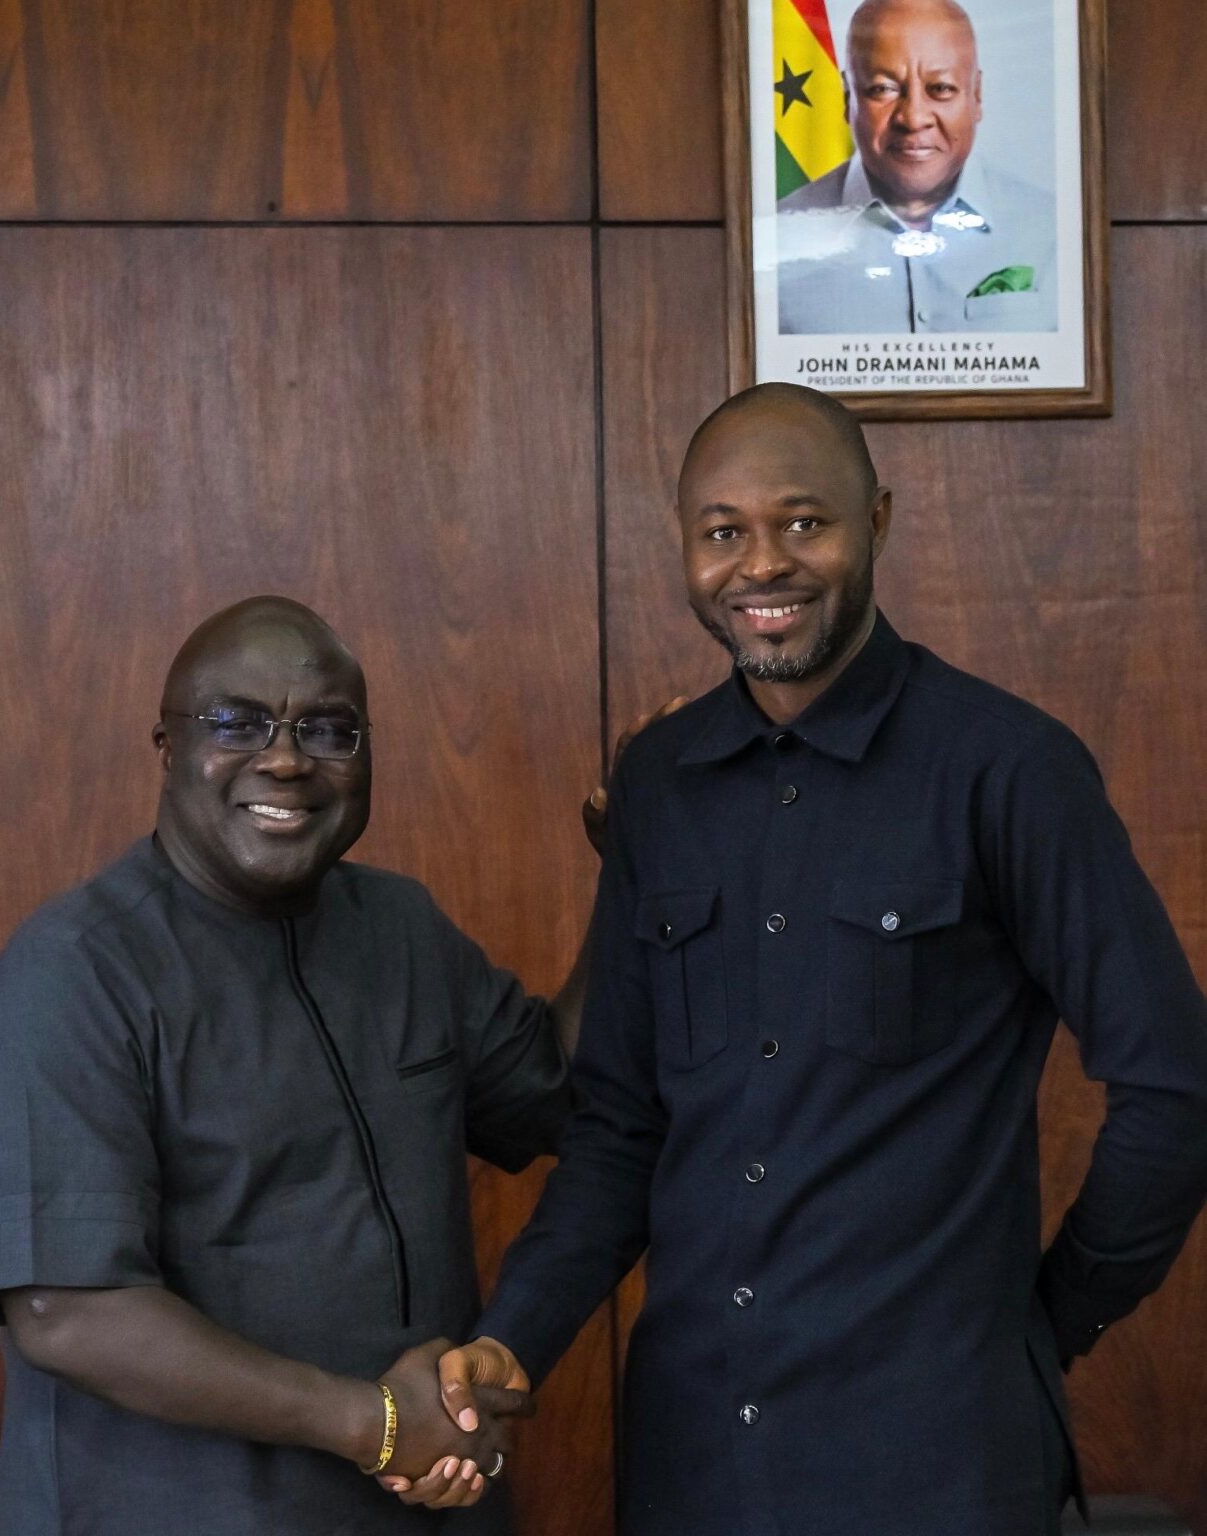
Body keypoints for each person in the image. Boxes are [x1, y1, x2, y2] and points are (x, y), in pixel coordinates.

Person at [431, 384, 1207, 1536]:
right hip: (694, 1465)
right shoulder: (659, 786)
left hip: (936, 1464)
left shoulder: (1007, 769)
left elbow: (1173, 1091)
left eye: (804, 523)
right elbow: (618, 1129)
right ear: (686, 547)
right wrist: (511, 1339)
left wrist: (1035, 1322)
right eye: (722, 531)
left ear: (876, 523)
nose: (761, 565)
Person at [0, 596, 602, 1536]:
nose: (288, 758)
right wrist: (373, 1425)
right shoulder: (73, 973)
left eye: (330, 729)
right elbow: (68, 1309)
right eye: (237, 723)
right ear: (167, 746)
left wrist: (633, 873)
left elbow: (561, 1092)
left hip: (424, 1511)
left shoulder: (403, 931)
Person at [777, 0, 1058, 334]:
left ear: (977, 96)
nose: (913, 118)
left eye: (940, 89)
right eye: (883, 89)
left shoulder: (1052, 231)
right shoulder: (778, 241)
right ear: (847, 98)